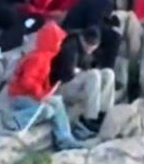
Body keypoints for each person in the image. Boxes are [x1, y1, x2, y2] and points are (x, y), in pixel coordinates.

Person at [6, 21, 85, 150]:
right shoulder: (38, 58)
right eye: (58, 41)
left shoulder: (46, 57)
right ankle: (16, 119)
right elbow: (27, 82)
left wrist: (45, 92)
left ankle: (64, 138)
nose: (60, 44)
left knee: (57, 102)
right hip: (19, 97)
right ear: (51, 41)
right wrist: (40, 94)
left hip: (30, 95)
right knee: (48, 111)